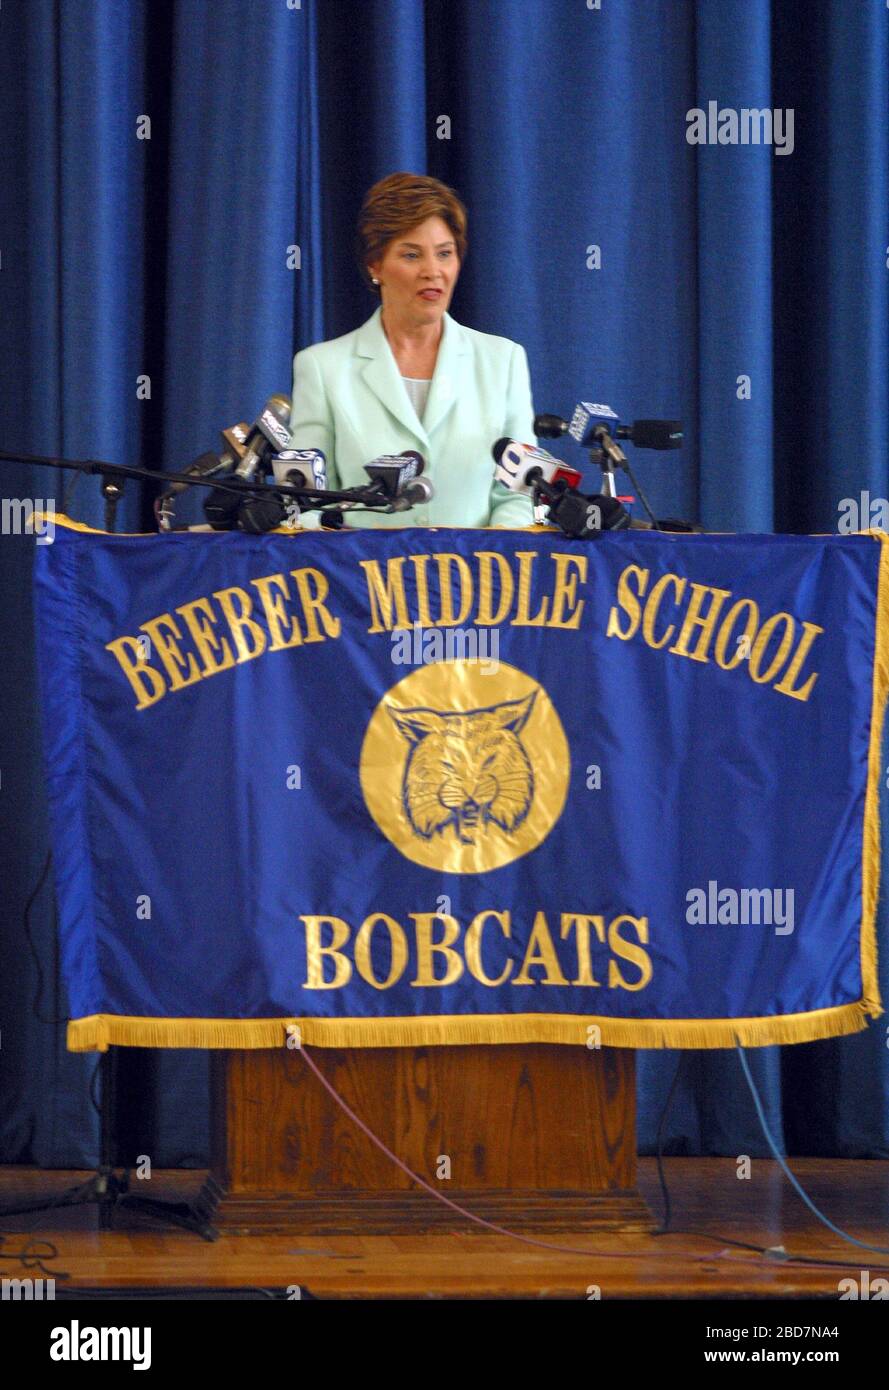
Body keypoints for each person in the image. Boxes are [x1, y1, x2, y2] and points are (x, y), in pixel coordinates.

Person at [286, 172, 536, 529]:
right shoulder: (323, 368)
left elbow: (518, 495)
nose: (433, 271)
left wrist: (489, 559)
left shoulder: (504, 362)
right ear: (376, 265)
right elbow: (307, 503)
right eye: (411, 255)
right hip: (363, 580)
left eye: (445, 254)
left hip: (476, 578)